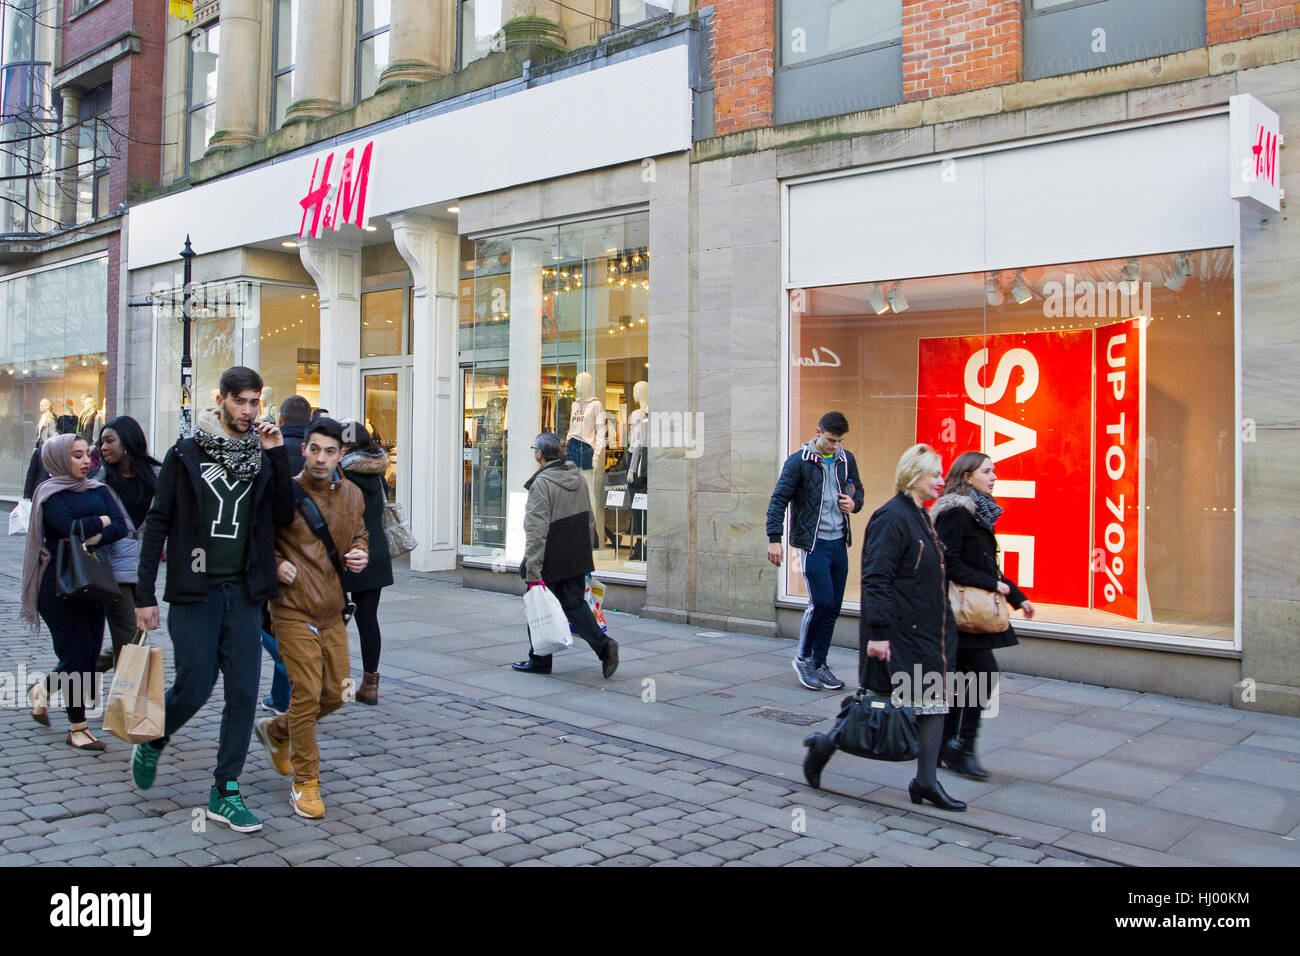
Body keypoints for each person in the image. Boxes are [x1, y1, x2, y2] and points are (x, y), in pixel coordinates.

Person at [131, 366, 294, 833]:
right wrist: (144, 595)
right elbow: (157, 523)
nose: (248, 411)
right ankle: (155, 740)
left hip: (243, 593)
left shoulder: (261, 456)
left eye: (255, 402)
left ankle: (226, 789)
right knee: (195, 686)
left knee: (243, 693)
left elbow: (283, 512)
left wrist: (277, 453)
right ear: (220, 399)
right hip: (195, 591)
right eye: (240, 401)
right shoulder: (185, 454)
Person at [802, 444, 965, 812]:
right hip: (898, 635)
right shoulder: (892, 517)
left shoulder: (923, 517)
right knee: (875, 710)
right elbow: (876, 579)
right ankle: (824, 746)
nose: (941, 480)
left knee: (934, 705)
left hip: (928, 634)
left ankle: (925, 782)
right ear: (913, 476)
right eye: (934, 474)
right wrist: (877, 634)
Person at [253, 418, 367, 819]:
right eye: (314, 449)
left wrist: (359, 553)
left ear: (341, 455)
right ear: (304, 450)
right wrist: (277, 564)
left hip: (332, 608)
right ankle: (306, 782)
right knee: (304, 694)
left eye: (330, 451)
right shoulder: (287, 491)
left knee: (337, 694)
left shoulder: (352, 494)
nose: (321, 458)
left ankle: (277, 730)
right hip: (292, 608)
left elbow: (359, 535)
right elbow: (259, 538)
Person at [931, 452, 1034, 779]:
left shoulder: (976, 511)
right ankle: (961, 746)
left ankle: (943, 745)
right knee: (983, 674)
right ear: (967, 476)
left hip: (971, 611)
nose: (994, 477)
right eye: (987, 471)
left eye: (994, 471)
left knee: (963, 681)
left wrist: (1017, 596)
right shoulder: (956, 512)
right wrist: (993, 585)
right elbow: (951, 563)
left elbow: (987, 563)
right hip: (959, 612)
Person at [20, 434, 127, 749]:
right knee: (77, 654)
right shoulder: (49, 493)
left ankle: (41, 690)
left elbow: (121, 525)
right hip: (56, 585)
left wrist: (92, 536)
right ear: (57, 459)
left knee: (89, 652)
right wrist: (101, 521)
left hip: (92, 580)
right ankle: (77, 727)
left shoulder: (98, 488)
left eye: (86, 455)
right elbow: (67, 526)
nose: (85, 461)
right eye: (76, 455)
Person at [765, 411, 865, 691]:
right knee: (820, 602)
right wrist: (774, 538)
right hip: (814, 543)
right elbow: (778, 500)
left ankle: (820, 664)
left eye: (839, 441)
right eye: (831, 440)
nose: (835, 446)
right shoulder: (799, 462)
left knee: (833, 607)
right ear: (818, 431)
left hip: (838, 542)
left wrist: (854, 503)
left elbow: (859, 490)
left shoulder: (847, 460)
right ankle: (802, 659)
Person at [511, 432, 619, 678]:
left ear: (539, 454)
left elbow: (537, 531)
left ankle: (539, 660)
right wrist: (585, 551)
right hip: (576, 552)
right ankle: (605, 646)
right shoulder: (577, 477)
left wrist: (533, 567)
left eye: (534, 451)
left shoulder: (542, 483)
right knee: (574, 604)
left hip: (551, 554)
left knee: (537, 604)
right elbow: (590, 517)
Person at [91, 416, 162, 673]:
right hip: (112, 572)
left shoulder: (158, 477)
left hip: (143, 571)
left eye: (110, 441)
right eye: (101, 443)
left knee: (130, 641)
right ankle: (132, 708)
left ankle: (51, 684)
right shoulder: (99, 484)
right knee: (134, 642)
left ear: (129, 442)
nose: (104, 447)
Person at [257, 393, 312, 716]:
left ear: (279, 421)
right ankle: (282, 697)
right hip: (305, 554)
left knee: (267, 625)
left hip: (274, 553)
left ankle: (291, 689)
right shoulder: (313, 456)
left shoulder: (270, 454)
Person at [339, 420, 393, 704]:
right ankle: (370, 684)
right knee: (368, 619)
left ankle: (332, 680)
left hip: (344, 551)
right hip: (375, 552)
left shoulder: (342, 472)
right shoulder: (377, 470)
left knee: (333, 620)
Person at [24, 415, 79, 498]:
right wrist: (27, 495)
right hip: (42, 493)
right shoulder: (41, 451)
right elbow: (31, 474)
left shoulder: (72, 454)